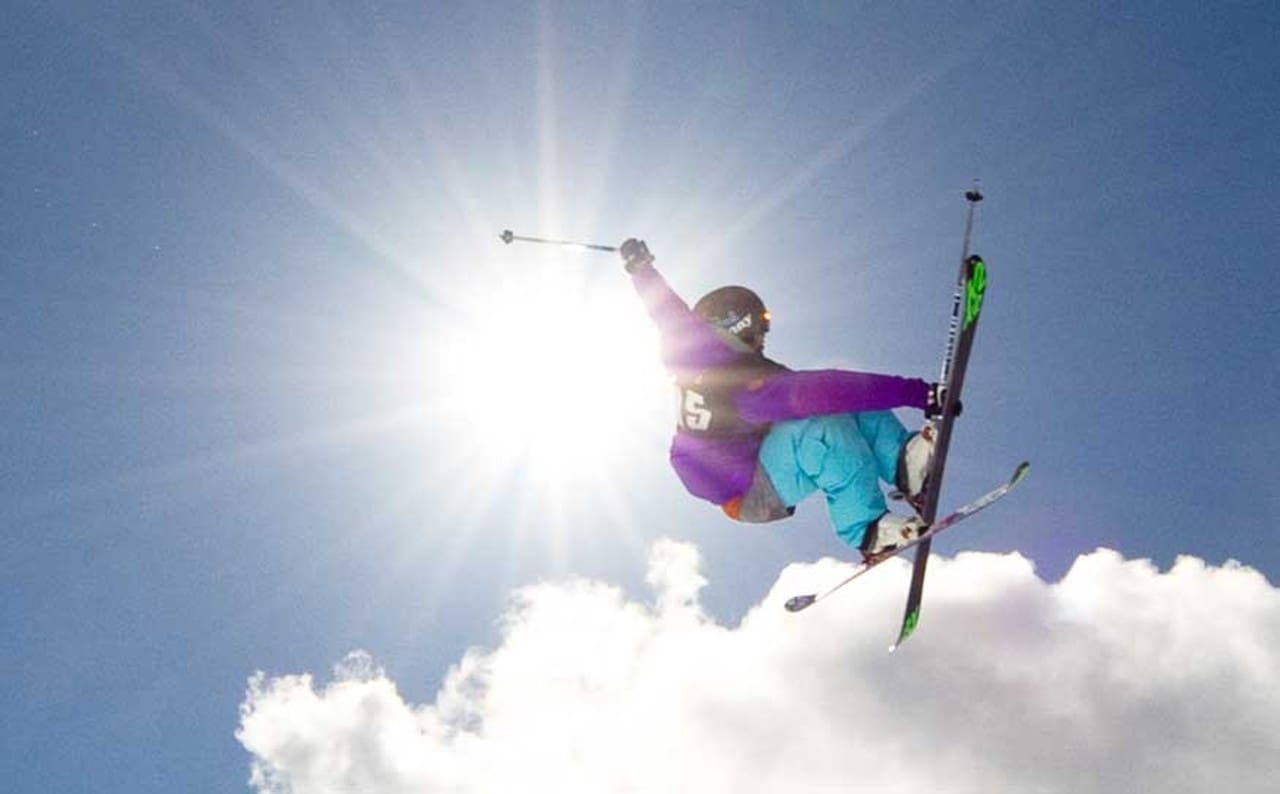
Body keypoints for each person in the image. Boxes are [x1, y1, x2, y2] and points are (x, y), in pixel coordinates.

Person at [620, 237, 950, 561]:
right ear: (738, 322)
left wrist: (641, 269)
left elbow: (667, 311)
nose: (763, 337)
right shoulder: (737, 379)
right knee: (821, 423)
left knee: (842, 401)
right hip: (750, 491)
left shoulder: (704, 358)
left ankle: (904, 466)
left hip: (762, 460)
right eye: (760, 325)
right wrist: (918, 393)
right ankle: (867, 530)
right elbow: (821, 391)